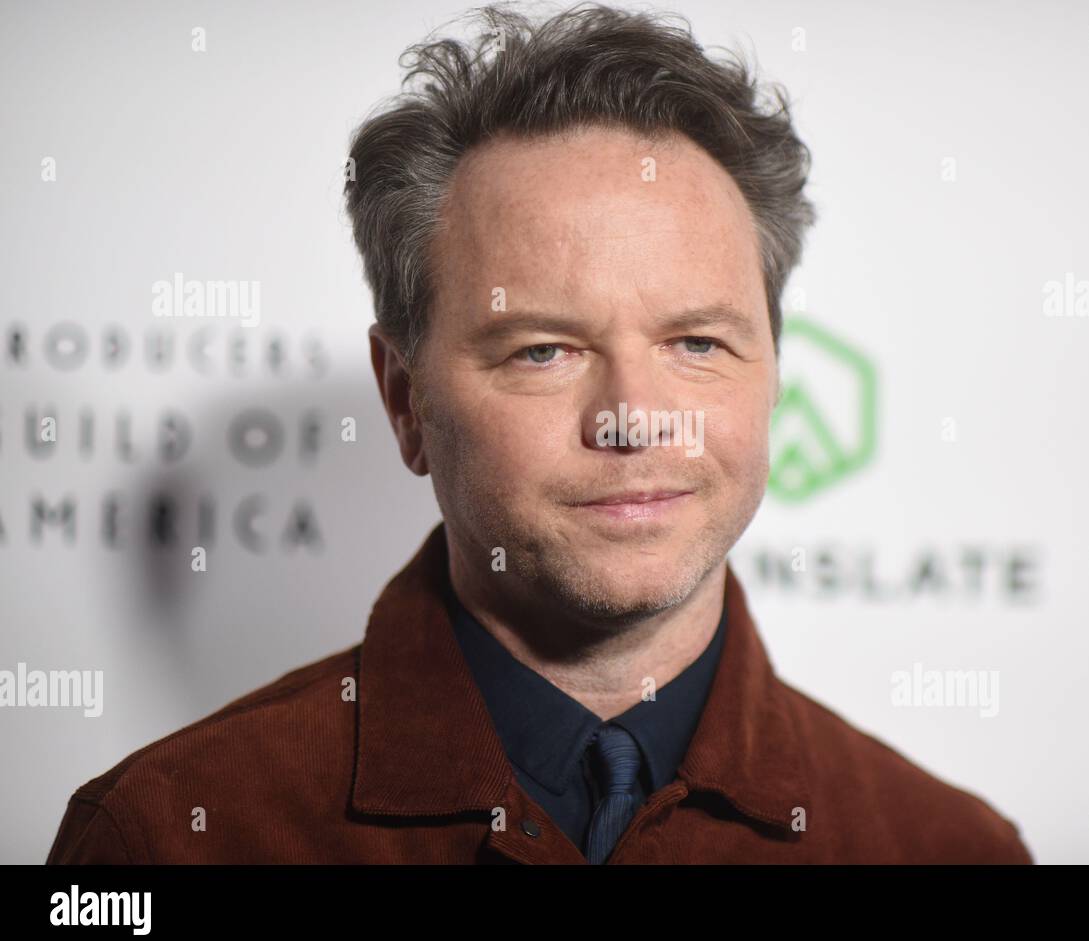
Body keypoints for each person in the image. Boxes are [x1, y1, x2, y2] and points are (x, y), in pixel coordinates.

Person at [47, 2, 1032, 864]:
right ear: (405, 400)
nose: (636, 417)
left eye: (695, 341)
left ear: (772, 368)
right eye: (543, 351)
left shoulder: (944, 847)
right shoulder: (168, 836)